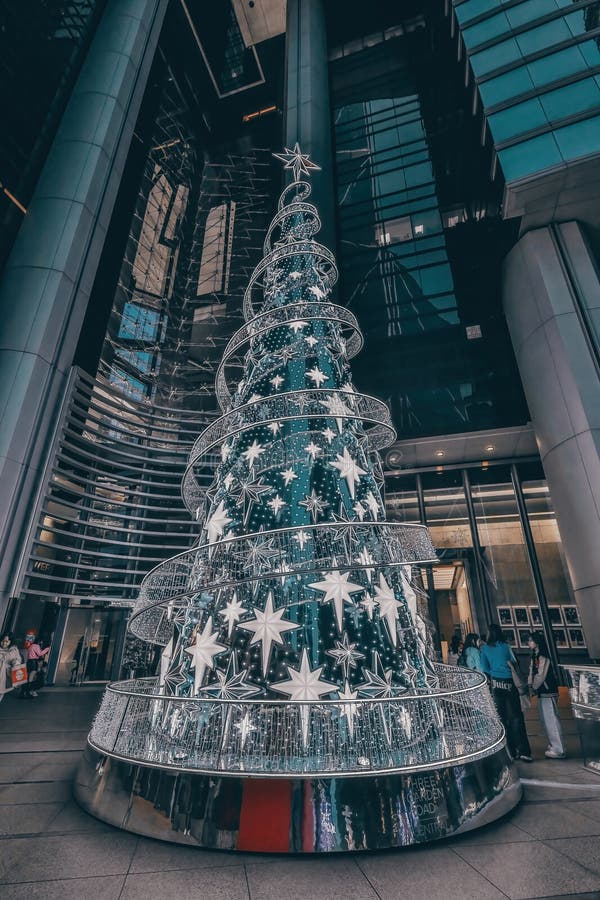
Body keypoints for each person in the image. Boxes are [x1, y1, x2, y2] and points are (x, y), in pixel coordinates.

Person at [480, 623, 532, 761]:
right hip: (510, 683)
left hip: (496, 685)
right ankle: (524, 751)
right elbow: (514, 662)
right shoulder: (506, 646)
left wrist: (494, 673)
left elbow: (484, 667)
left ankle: (511, 751)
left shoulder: (485, 649)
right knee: (516, 717)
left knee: (502, 719)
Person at [527, 631, 565, 759]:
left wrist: (533, 687)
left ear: (537, 642)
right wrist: (530, 685)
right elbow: (532, 672)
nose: (529, 643)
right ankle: (553, 745)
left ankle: (559, 749)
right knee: (546, 720)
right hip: (542, 692)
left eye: (531, 640)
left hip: (548, 691)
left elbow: (541, 675)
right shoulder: (535, 656)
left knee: (552, 720)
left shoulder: (543, 657)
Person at [0, 632, 23, 703]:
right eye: (3, 641)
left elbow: (18, 661)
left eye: (7, 641)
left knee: (1, 691)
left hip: (5, 675)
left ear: (10, 641)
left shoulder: (14, 650)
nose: (4, 643)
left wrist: (15, 663)